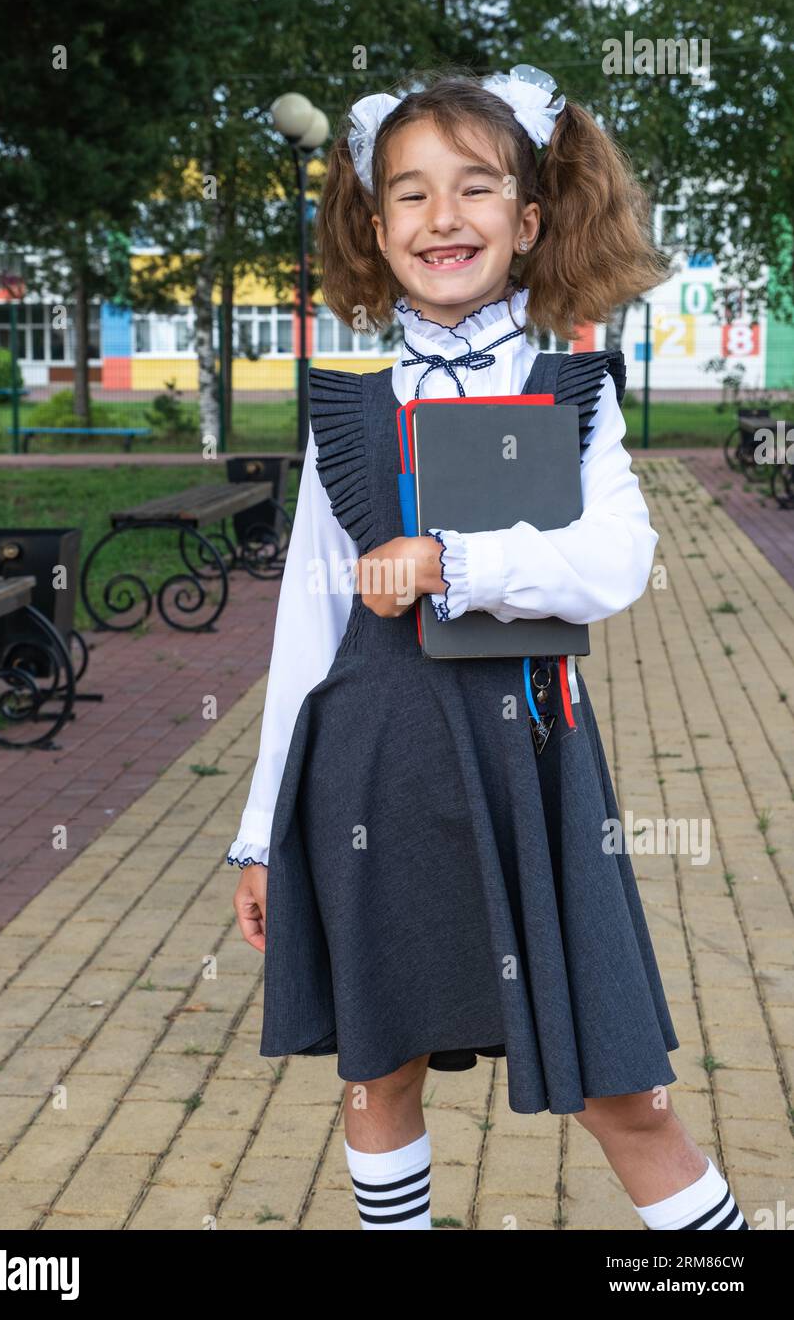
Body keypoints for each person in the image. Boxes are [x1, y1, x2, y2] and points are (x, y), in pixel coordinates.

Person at [228, 64, 749, 1233]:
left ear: (525, 219)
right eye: (408, 195)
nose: (440, 218)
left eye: (473, 189)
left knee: (622, 1087)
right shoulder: (342, 401)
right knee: (380, 1069)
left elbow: (614, 562)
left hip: (529, 765)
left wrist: (450, 561)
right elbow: (304, 629)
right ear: (374, 225)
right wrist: (260, 829)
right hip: (369, 765)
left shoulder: (565, 387)